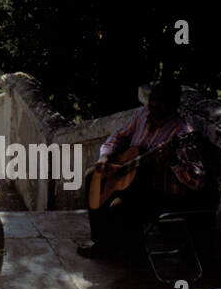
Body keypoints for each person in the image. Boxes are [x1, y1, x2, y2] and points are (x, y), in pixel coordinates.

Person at [78, 79, 207, 265]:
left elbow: (197, 181)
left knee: (119, 208)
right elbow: (119, 135)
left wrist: (173, 163)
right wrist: (106, 156)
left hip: (160, 191)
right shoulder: (141, 115)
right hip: (133, 182)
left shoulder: (181, 133)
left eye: (160, 101)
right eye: (152, 100)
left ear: (172, 104)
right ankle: (101, 243)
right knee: (93, 176)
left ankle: (135, 266)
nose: (153, 105)